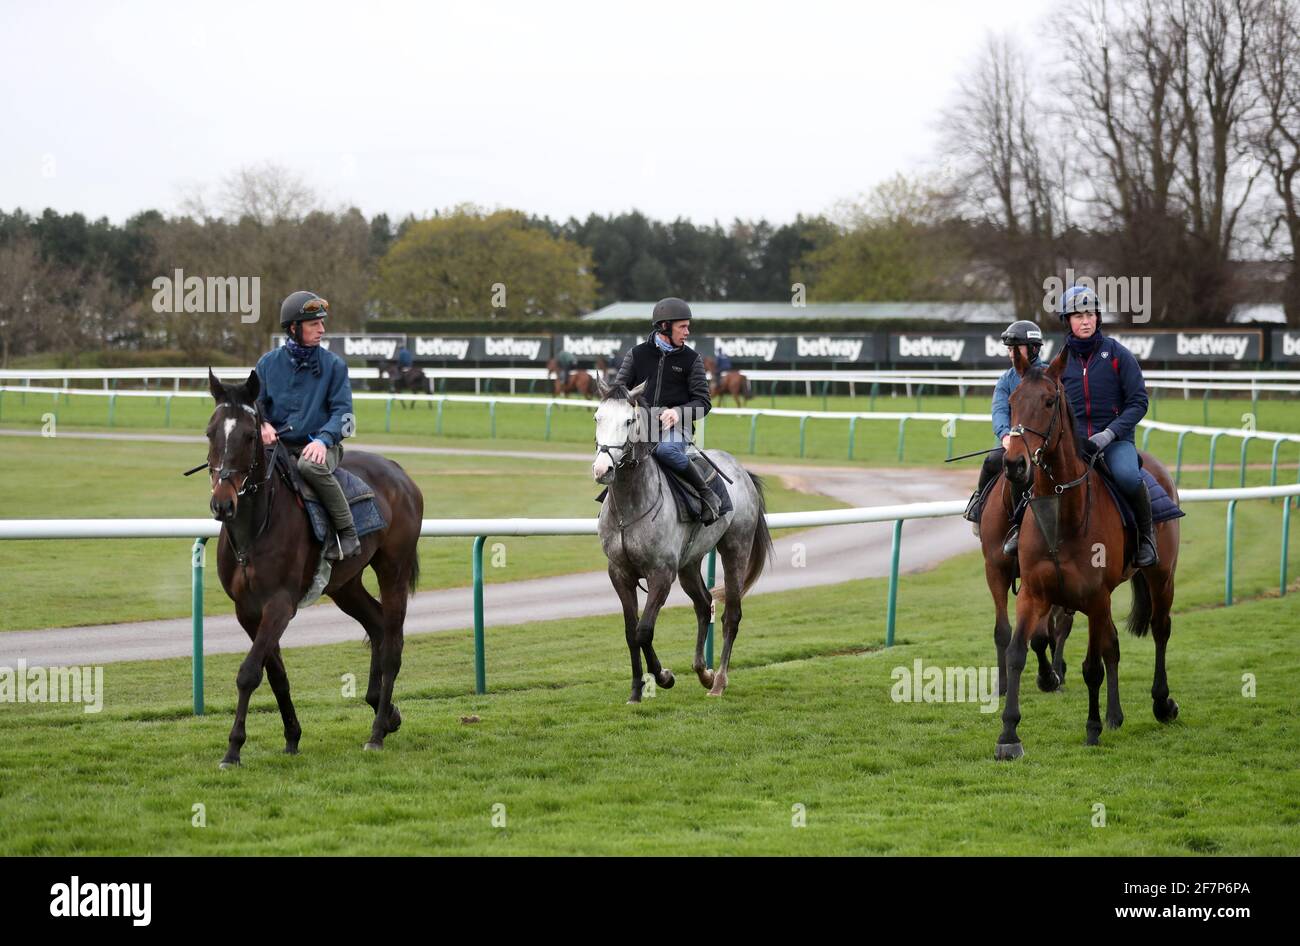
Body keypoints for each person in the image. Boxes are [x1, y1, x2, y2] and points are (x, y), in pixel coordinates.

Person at [1057, 284, 1158, 567]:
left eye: (1090, 314)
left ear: (1098, 317)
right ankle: (1022, 536)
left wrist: (1109, 433)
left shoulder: (1118, 354)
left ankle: (1146, 538)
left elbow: (1138, 402)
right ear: (1068, 321)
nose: (1085, 320)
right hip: (1075, 444)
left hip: (1116, 441)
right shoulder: (1060, 362)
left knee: (1127, 476)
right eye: (1078, 316)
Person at [256, 290, 360, 560]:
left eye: (322, 323)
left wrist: (323, 440)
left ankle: (347, 532)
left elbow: (345, 417)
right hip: (279, 445)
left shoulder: (335, 366)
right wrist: (262, 423)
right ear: (293, 328)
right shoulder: (267, 364)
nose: (322, 330)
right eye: (314, 324)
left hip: (321, 447)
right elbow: (254, 403)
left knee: (309, 465)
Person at [612, 297, 720, 521]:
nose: (687, 332)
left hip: (677, 430)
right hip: (642, 428)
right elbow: (618, 393)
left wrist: (678, 413)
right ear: (664, 326)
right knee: (615, 453)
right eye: (682, 326)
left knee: (666, 451)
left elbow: (703, 403)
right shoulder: (636, 354)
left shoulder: (692, 360)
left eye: (688, 326)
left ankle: (707, 494)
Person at [963, 320, 1046, 543]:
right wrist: (1005, 435)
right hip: (1014, 442)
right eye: (1009, 349)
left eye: (1016, 348)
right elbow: (999, 410)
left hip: (1043, 444)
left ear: (1034, 348)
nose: (1011, 354)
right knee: (992, 461)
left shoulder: (1049, 376)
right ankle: (978, 504)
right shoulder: (1006, 380)